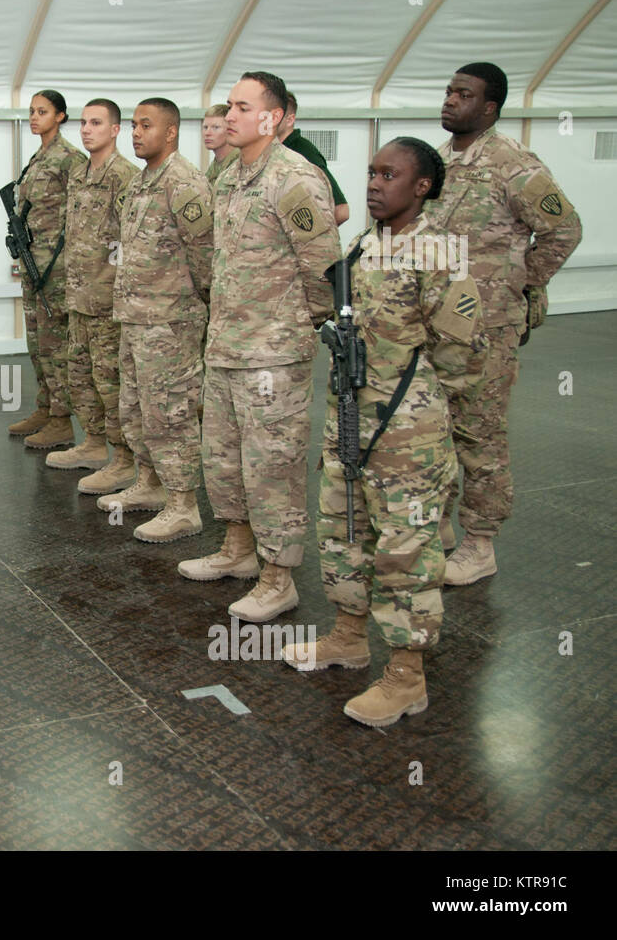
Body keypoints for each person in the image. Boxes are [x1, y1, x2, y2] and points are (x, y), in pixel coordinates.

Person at [284, 137, 483, 727]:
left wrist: (418, 398)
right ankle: (348, 636)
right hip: (352, 418)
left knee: (406, 552)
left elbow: (462, 354)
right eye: (371, 172)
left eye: (389, 175)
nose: (374, 184)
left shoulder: (440, 252)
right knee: (345, 532)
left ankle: (406, 676)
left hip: (407, 434)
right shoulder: (368, 243)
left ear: (422, 186)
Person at [179, 72, 339, 620]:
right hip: (225, 346)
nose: (229, 117)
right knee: (224, 462)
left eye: (241, 108)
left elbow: (324, 270)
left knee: (273, 467)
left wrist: (297, 330)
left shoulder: (296, 179)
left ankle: (279, 578)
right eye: (228, 107)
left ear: (271, 118)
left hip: (273, 354)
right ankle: (239, 551)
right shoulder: (228, 176)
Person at [427, 62, 582, 584]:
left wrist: (520, 284)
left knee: (480, 435)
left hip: (486, 329)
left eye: (463, 94)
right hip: (438, 325)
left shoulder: (512, 163)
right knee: (434, 427)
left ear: (489, 107)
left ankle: (480, 542)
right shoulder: (441, 159)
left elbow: (564, 228)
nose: (450, 101)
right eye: (449, 91)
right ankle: (440, 528)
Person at [94, 98, 213, 542]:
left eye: (147, 125)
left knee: (171, 413)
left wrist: (191, 308)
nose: (136, 133)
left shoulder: (185, 183)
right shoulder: (142, 182)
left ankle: (184, 505)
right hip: (136, 318)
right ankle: (150, 484)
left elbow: (205, 257)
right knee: (136, 407)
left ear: (171, 132)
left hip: (170, 322)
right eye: (135, 125)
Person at [46, 99, 140, 489]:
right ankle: (94, 443)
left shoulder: (125, 177)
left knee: (111, 383)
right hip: (78, 299)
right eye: (83, 122)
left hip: (107, 303)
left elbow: (133, 243)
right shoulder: (81, 174)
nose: (86, 129)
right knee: (80, 378)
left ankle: (124, 458)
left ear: (115, 129)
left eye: (96, 123)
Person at [6, 90, 86, 449]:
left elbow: (80, 215)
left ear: (61, 116)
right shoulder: (38, 158)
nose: (35, 117)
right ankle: (45, 407)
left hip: (56, 268)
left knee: (55, 345)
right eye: (32, 111)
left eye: (43, 112)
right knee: (36, 342)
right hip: (32, 263)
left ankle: (62, 421)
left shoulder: (69, 159)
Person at [277, 92, 350, 226]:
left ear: (290, 119)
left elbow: (341, 211)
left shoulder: (303, 151)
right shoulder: (274, 152)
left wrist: (310, 239)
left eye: (276, 116)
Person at [202, 103, 237, 187]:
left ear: (230, 130)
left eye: (216, 127)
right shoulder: (215, 166)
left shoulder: (239, 164)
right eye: (205, 127)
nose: (207, 133)